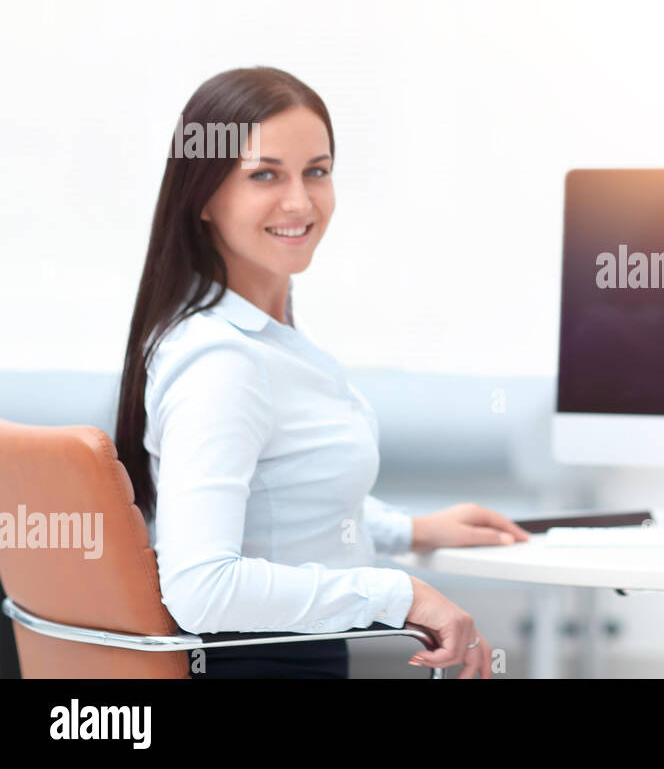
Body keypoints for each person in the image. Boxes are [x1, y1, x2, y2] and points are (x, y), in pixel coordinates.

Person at [114, 66, 529, 679]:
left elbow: (280, 497)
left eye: (316, 171)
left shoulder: (259, 340)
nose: (300, 202)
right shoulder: (222, 364)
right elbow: (200, 586)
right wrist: (401, 595)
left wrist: (408, 529)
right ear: (203, 196)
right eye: (264, 175)